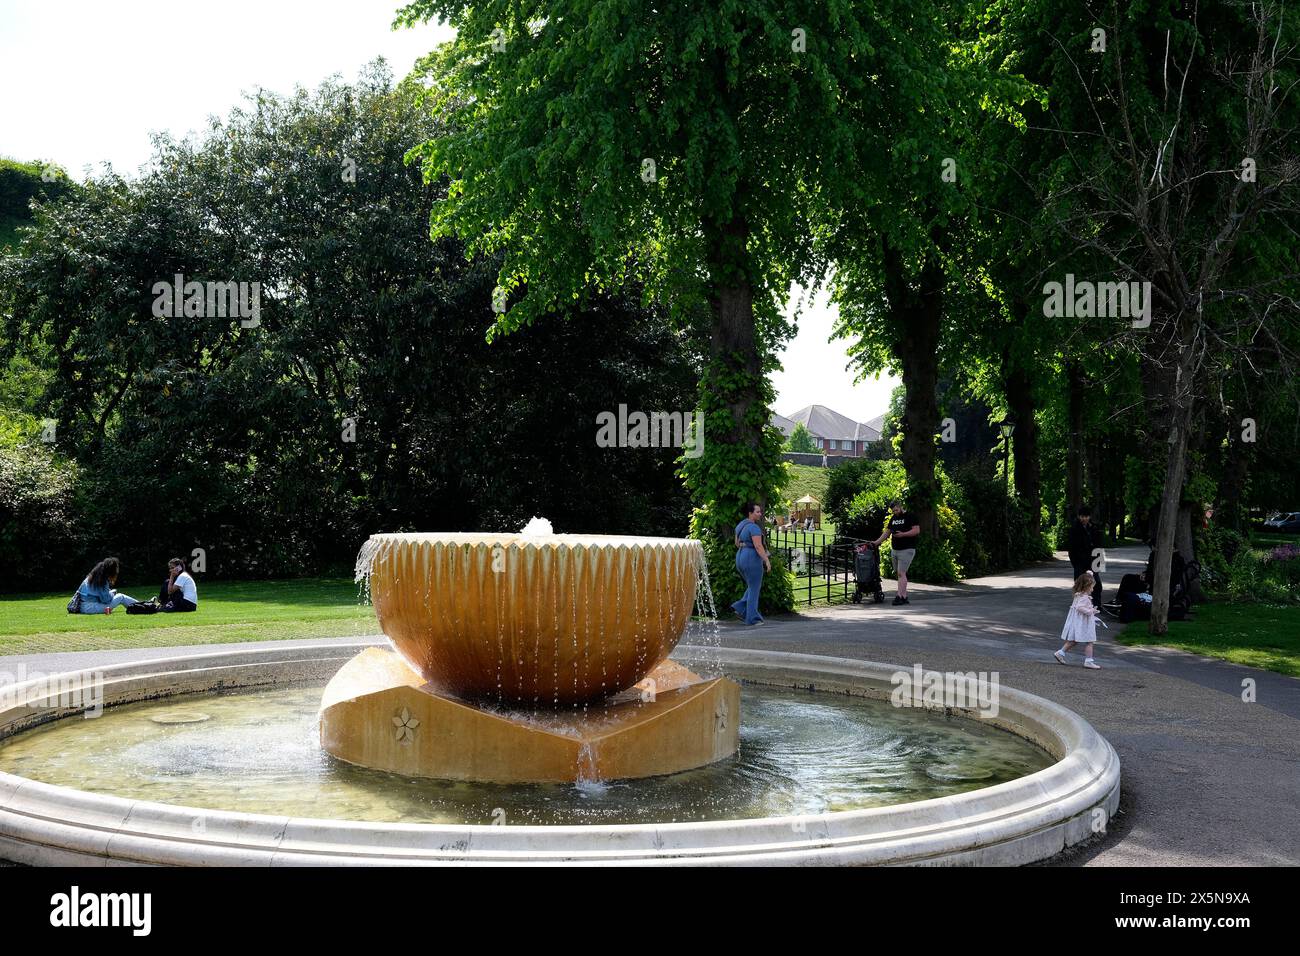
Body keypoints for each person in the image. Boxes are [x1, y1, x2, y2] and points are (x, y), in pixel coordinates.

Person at [872, 500, 920, 606]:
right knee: (899, 574)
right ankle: (904, 596)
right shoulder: (893, 518)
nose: (895, 512)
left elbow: (916, 530)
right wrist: (876, 542)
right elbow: (887, 532)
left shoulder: (910, 516)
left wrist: (903, 534)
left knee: (901, 573)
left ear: (901, 507)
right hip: (895, 550)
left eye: (897, 510)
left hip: (907, 549)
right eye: (893, 511)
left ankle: (899, 596)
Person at [1054, 571, 1106, 669]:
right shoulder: (1084, 597)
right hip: (1083, 623)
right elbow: (1080, 608)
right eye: (1091, 587)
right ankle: (1089, 661)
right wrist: (1091, 611)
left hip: (1078, 622)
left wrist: (1091, 610)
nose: (1093, 589)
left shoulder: (1079, 595)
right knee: (1090, 641)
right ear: (1086, 587)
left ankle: (1060, 653)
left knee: (1074, 640)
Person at [731, 502, 771, 626]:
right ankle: (753, 618)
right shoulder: (754, 528)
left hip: (740, 557)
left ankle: (740, 608)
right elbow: (758, 546)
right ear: (750, 513)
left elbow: (737, 543)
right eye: (757, 512)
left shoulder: (740, 525)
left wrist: (745, 546)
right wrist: (766, 560)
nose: (760, 514)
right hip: (751, 558)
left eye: (760, 511)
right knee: (754, 589)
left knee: (752, 586)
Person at [1066, 505, 1103, 608]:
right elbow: (1071, 548)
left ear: (1089, 516)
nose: (1084, 519)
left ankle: (1096, 605)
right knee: (1079, 585)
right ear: (1079, 516)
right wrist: (1075, 562)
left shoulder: (1094, 528)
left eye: (1086, 516)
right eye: (1082, 516)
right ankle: (1078, 605)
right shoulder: (1074, 529)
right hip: (1080, 562)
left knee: (1097, 584)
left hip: (1093, 560)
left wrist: (1099, 562)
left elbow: (1099, 545)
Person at [73, 558, 139, 614]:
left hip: (82, 607)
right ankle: (143, 606)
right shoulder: (102, 581)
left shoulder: (90, 578)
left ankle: (141, 605)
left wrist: (110, 592)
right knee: (121, 597)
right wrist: (112, 593)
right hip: (91, 608)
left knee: (118, 595)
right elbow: (106, 600)